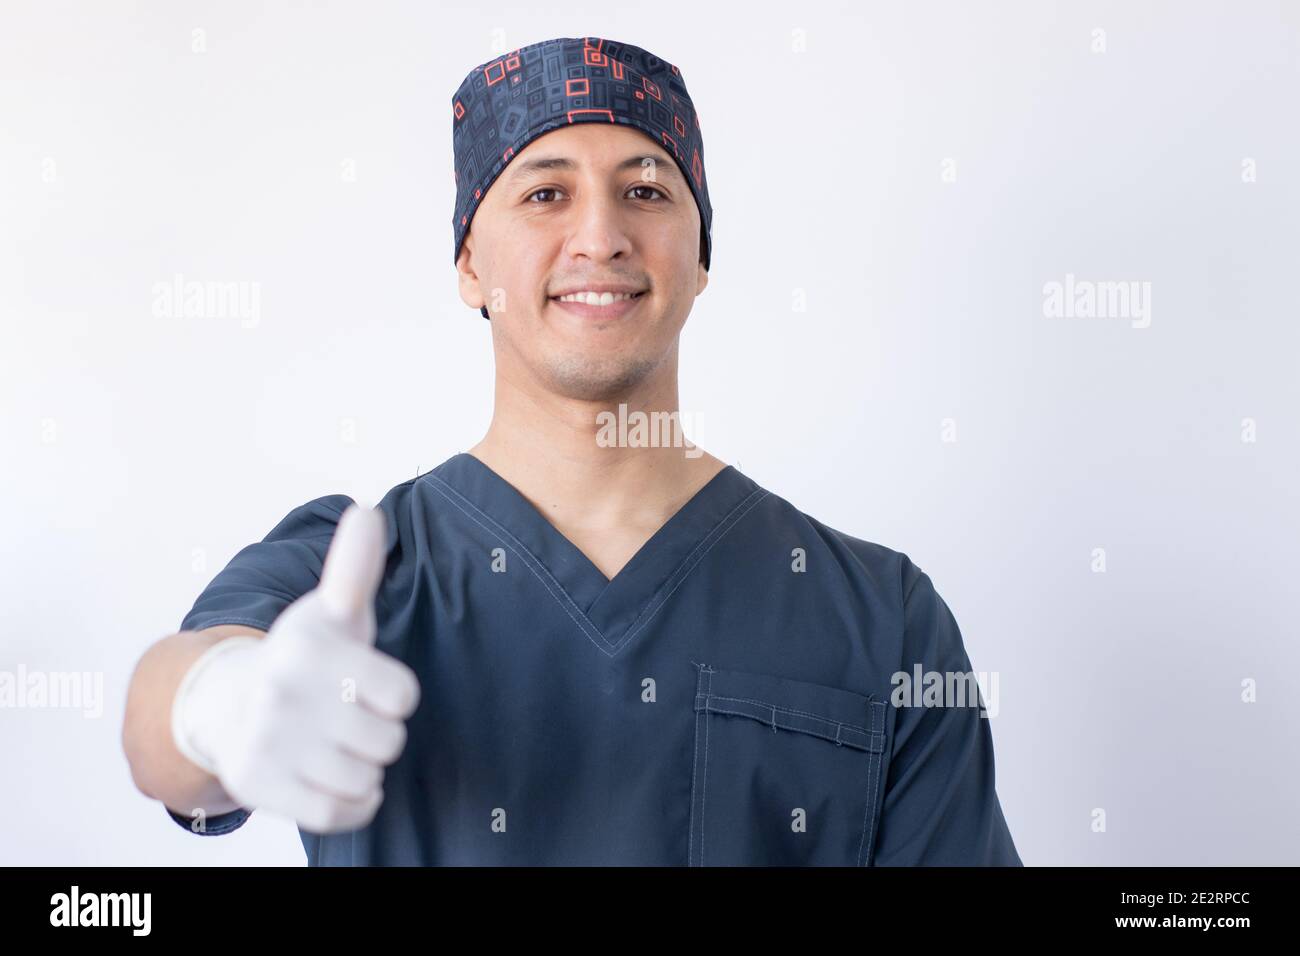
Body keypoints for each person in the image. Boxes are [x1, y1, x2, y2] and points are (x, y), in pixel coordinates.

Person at [122, 35, 1021, 866]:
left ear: (700, 253)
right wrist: (219, 705)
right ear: (470, 262)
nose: (600, 236)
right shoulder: (352, 571)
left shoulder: (879, 616)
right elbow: (160, 725)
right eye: (545, 193)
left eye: (646, 190)